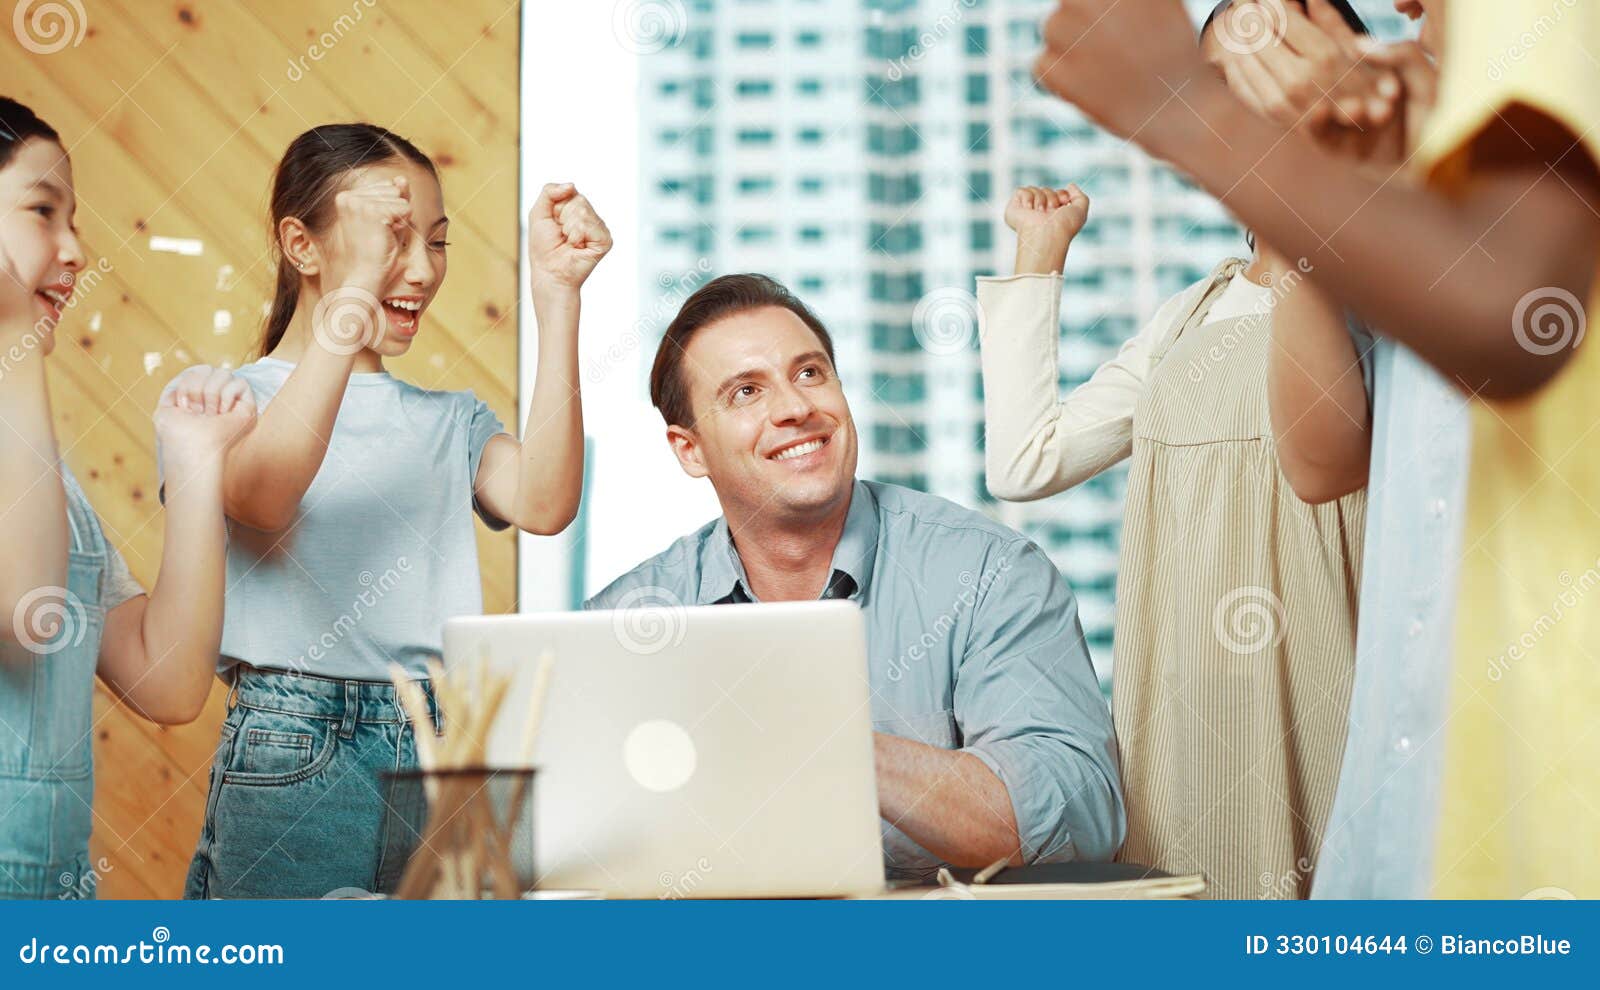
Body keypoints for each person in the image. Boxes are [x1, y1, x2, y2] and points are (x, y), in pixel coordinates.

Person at [1038, 0, 1600, 897]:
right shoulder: (1425, 138)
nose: (1406, 9)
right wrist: (1318, 172)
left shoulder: (1541, 23)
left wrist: (1179, 105)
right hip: (1454, 772)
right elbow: (1321, 460)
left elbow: (1518, 322)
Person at [976, 1, 1376, 900]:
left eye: (1276, 67)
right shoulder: (1193, 314)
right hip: (1179, 739)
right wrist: (1039, 261)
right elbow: (1024, 463)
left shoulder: (1390, 290)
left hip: (1331, 718)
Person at [183, 123, 611, 899]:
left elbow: (546, 503)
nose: (418, 268)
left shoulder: (451, 421)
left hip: (441, 739)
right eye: (390, 237)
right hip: (292, 744)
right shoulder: (223, 403)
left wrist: (557, 298)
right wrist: (347, 308)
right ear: (301, 245)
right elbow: (264, 495)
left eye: (435, 243)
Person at [587, 273, 1123, 881]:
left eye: (810, 373)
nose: (794, 408)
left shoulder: (989, 575)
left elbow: (1080, 818)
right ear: (690, 450)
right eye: (745, 392)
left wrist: (836, 744)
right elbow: (565, 842)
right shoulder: (625, 622)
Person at [0, 98, 255, 899]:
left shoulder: (49, 476)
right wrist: (13, 336)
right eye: (44, 212)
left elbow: (169, 681)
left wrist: (197, 468)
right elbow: (24, 614)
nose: (75, 249)